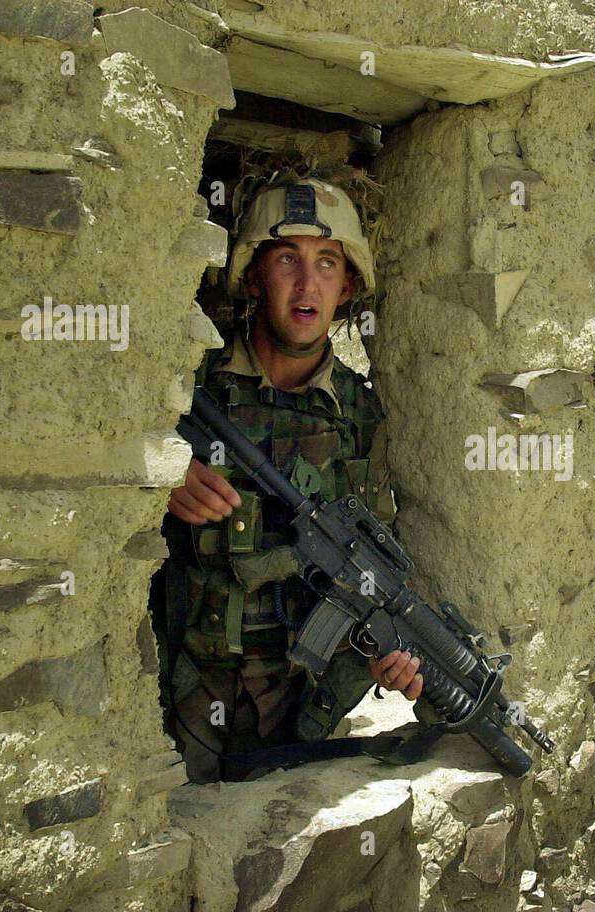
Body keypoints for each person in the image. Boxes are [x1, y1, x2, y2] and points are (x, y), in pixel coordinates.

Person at [158, 170, 421, 782]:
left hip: (302, 700)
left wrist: (387, 652)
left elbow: (370, 551)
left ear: (348, 283)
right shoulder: (187, 382)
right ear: (253, 275)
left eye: (327, 263)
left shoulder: (360, 411)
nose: (307, 285)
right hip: (188, 683)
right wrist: (162, 478)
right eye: (286, 259)